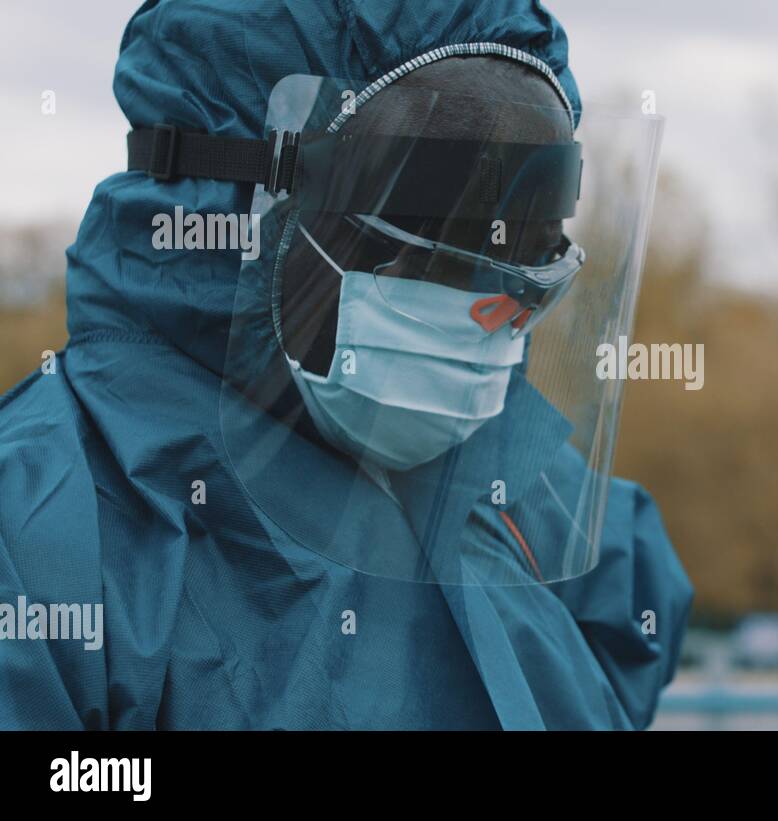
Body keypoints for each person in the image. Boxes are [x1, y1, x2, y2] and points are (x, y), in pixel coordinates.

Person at [0, 0, 692, 730]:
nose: (486, 289)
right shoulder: (44, 538)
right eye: (429, 225)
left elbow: (632, 623)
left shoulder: (526, 496)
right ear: (254, 200)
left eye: (522, 230)